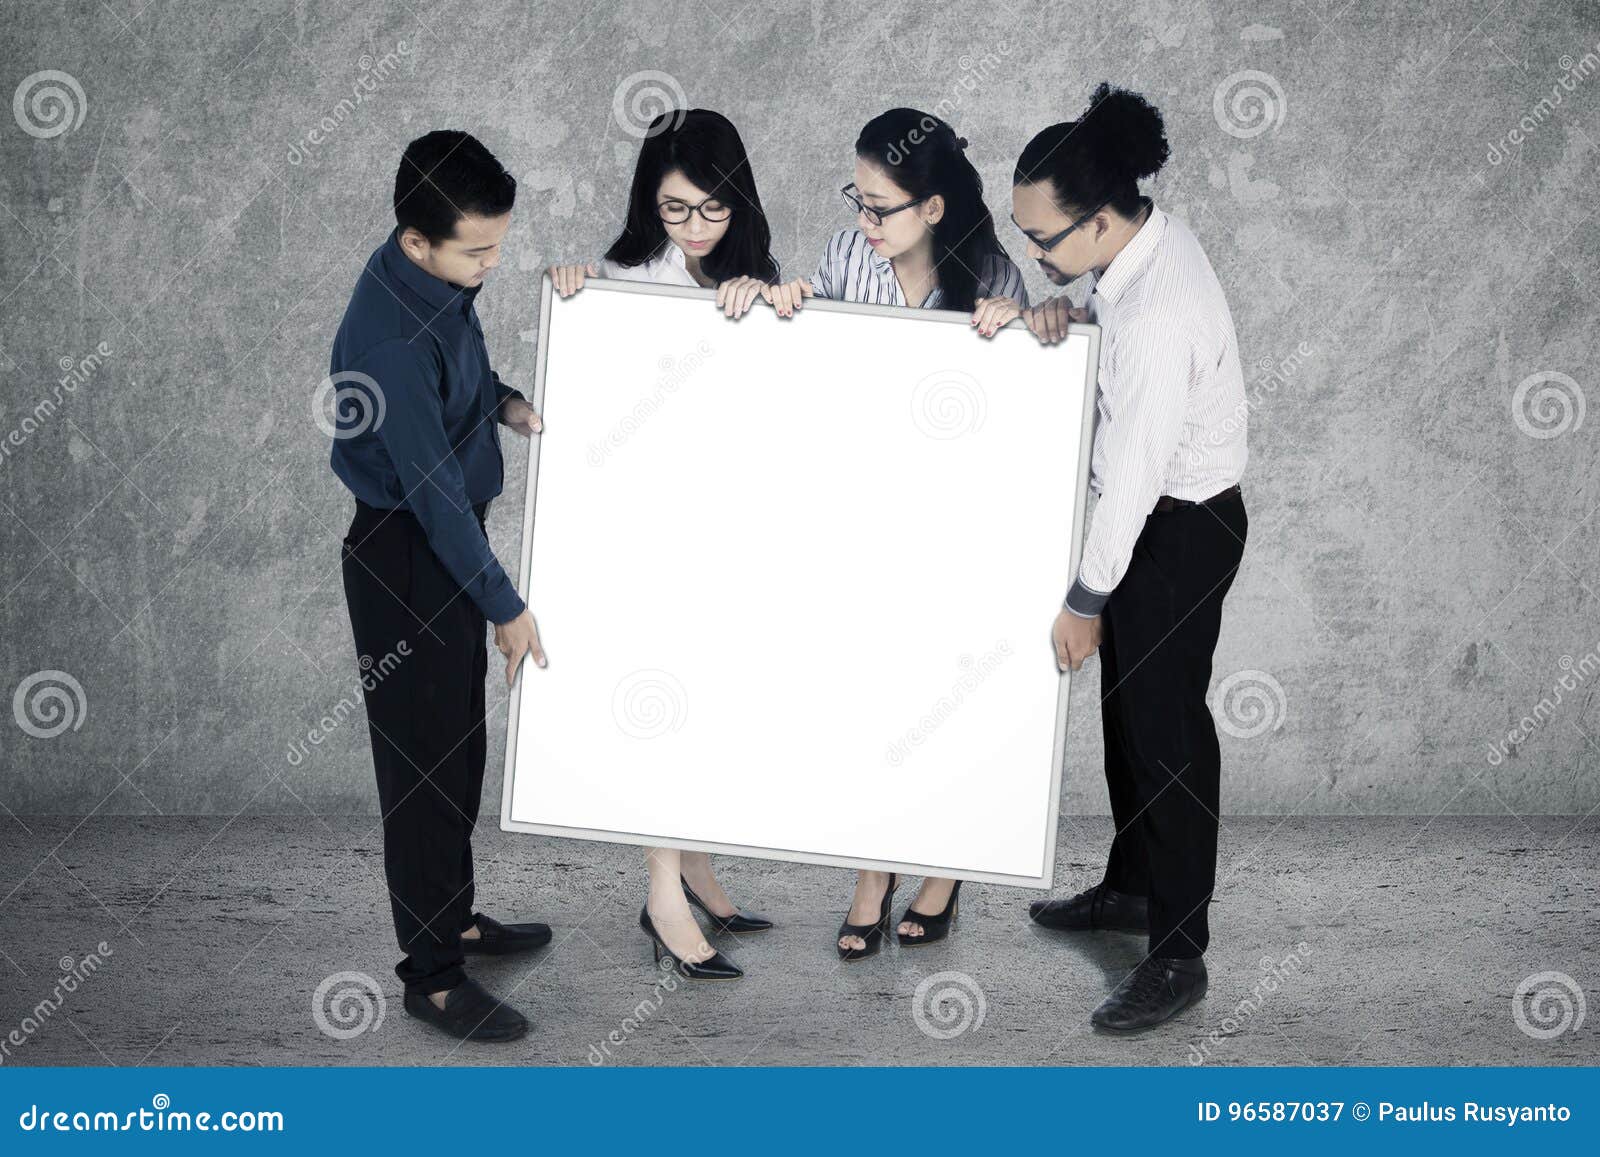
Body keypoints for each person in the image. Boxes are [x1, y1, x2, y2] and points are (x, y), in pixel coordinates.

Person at [991, 83, 1249, 1032]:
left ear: (1100, 220)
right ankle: (1133, 887)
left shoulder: (1156, 316)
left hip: (1178, 530)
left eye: (1043, 240)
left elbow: (1132, 480)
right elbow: (1114, 344)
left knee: (1168, 740)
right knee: (1127, 720)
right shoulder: (1141, 249)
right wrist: (1069, 317)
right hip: (1159, 522)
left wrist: (1083, 600)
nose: (1033, 255)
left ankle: (1178, 952)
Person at [765, 107, 1029, 958]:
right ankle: (871, 874)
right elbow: (811, 361)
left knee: (946, 700)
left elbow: (1025, 413)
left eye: (880, 206)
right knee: (872, 699)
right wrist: (790, 304)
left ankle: (944, 869)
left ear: (933, 207)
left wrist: (1022, 334)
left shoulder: (994, 275)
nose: (865, 221)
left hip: (958, 526)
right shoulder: (848, 257)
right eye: (859, 201)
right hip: (865, 512)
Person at [546, 109, 779, 981]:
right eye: (675, 209)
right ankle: (661, 894)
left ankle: (699, 871)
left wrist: (779, 306)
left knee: (713, 704)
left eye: (713, 208)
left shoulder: (754, 274)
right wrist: (577, 295)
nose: (694, 226)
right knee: (664, 710)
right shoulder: (616, 279)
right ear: (649, 200)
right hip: (644, 532)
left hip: (728, 527)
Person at [330, 130, 551, 1043]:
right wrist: (508, 606)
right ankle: (432, 978)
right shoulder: (390, 336)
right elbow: (432, 495)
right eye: (477, 250)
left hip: (445, 544)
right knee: (421, 775)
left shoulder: (436, 279)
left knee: (457, 750)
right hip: (409, 554)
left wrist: (502, 399)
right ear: (417, 241)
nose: (491, 264)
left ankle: (452, 917)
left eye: (498, 244)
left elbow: (453, 382)